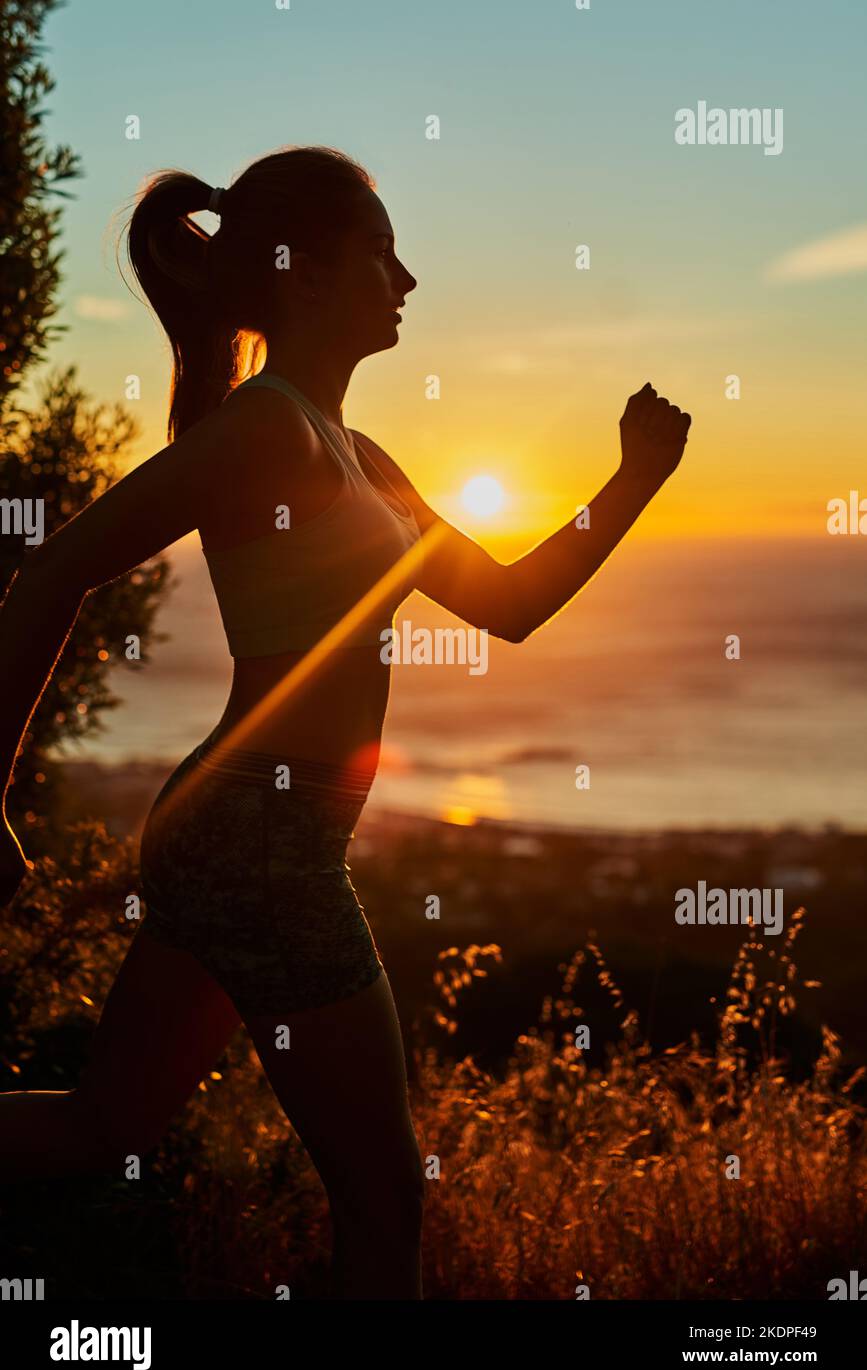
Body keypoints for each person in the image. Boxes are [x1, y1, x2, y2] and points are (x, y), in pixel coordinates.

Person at [0, 144, 691, 1299]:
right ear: (302, 274)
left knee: (97, 1123)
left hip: (248, 837)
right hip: (264, 848)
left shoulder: (357, 454)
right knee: (384, 1199)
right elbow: (50, 575)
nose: (408, 277)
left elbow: (510, 604)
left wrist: (634, 479)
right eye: (380, 253)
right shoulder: (264, 431)